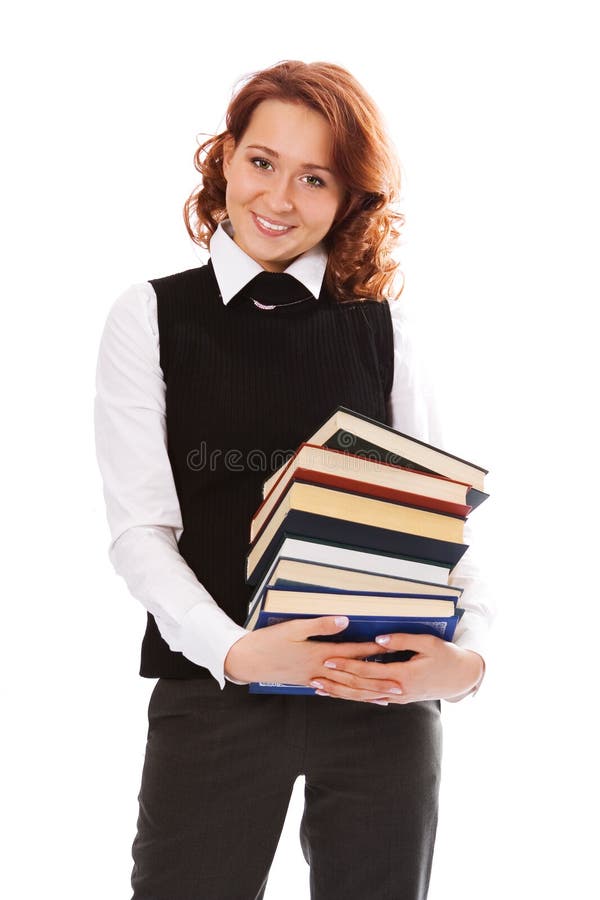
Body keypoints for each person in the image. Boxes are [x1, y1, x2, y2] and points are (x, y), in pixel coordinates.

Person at [94, 59, 494, 900]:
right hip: (212, 695)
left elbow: (443, 524)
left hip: (379, 691)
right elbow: (140, 532)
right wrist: (234, 651)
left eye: (315, 178)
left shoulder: (385, 333)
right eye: (262, 162)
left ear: (349, 199)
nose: (278, 199)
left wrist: (470, 659)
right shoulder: (153, 316)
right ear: (226, 159)